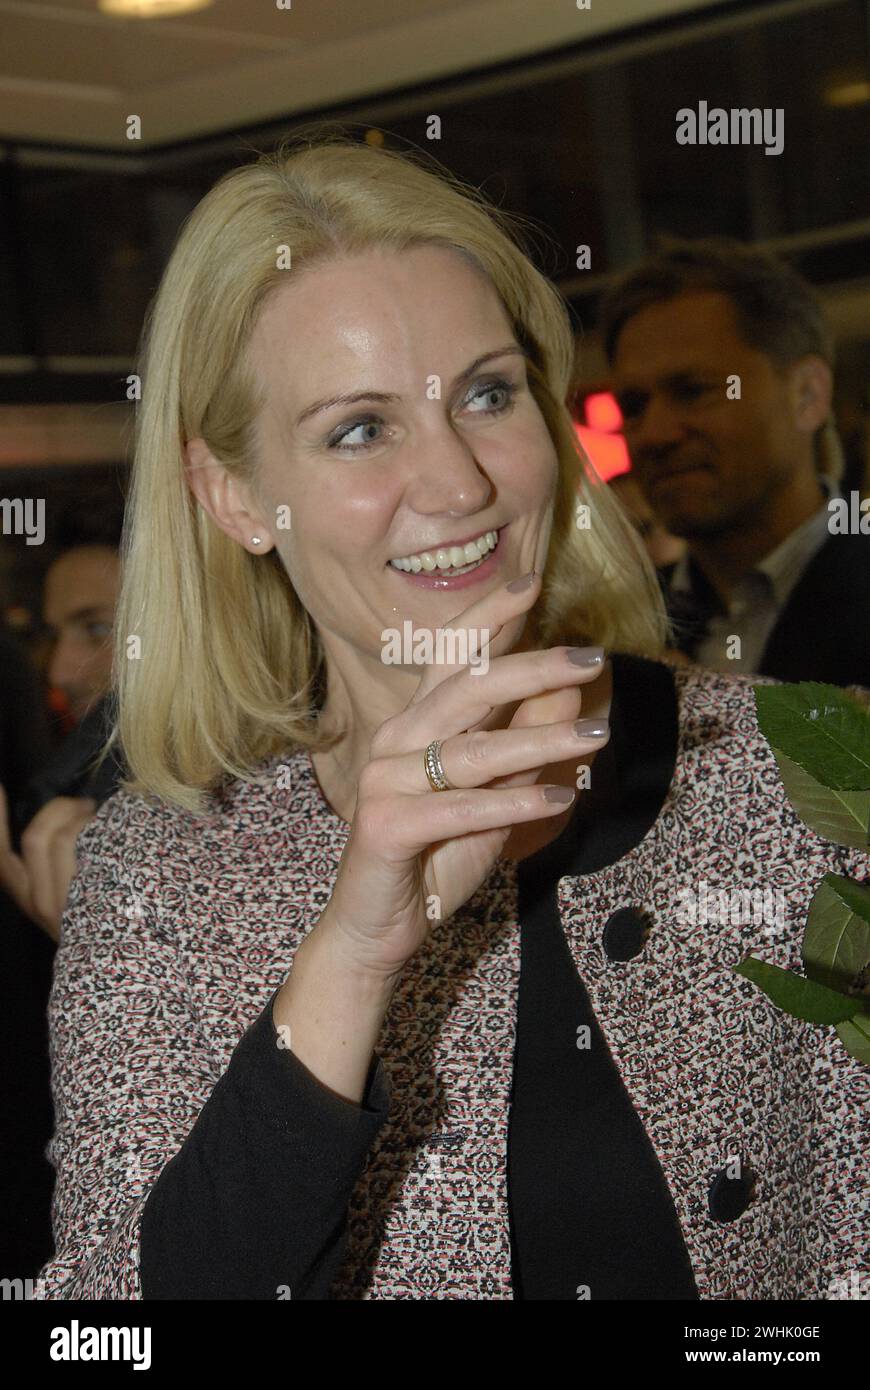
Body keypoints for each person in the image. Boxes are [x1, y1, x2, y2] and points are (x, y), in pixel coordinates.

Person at [34, 133, 867, 1302]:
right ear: (231, 493)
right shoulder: (156, 877)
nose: (462, 484)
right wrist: (355, 953)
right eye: (361, 429)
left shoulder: (808, 771)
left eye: (486, 394)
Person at [599, 236, 870, 685]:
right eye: (633, 405)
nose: (654, 434)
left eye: (694, 390)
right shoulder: (620, 631)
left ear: (808, 394)